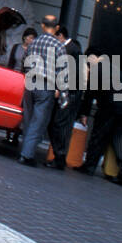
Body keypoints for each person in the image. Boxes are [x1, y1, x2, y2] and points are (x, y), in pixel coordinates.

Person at [74, 51, 122, 185]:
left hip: (108, 109)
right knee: (120, 142)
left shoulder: (96, 70)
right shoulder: (114, 68)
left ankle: (89, 167)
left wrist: (84, 114)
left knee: (97, 138)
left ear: (93, 58)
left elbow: (89, 95)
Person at [17, 15, 64, 167]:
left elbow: (24, 61)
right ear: (56, 28)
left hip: (30, 82)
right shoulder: (59, 46)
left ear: (43, 26)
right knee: (38, 122)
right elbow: (62, 71)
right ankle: (26, 155)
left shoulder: (34, 43)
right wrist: (61, 91)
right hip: (46, 86)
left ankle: (25, 151)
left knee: (29, 119)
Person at [46, 24, 82, 169]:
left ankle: (59, 157)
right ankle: (59, 156)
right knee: (56, 125)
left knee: (58, 125)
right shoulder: (72, 49)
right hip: (67, 93)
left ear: (60, 36)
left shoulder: (71, 50)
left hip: (68, 94)